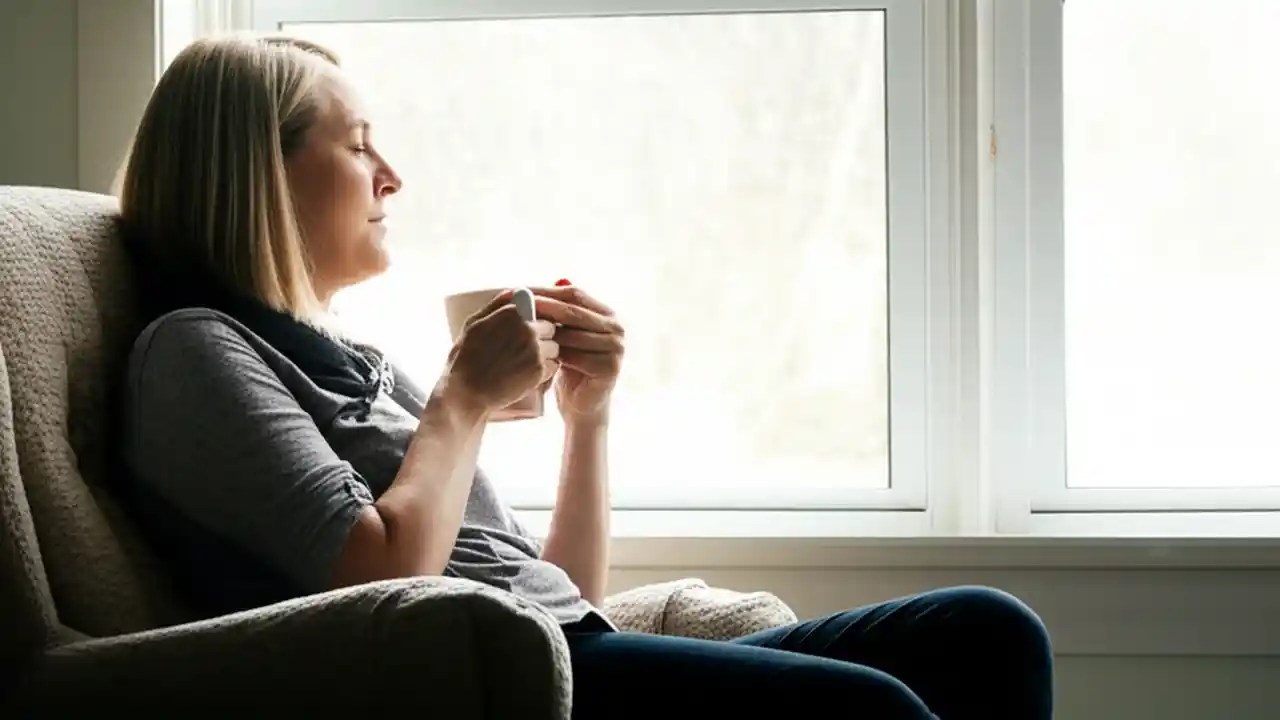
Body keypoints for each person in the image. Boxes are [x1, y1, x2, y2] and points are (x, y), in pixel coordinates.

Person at [114, 35, 1053, 719]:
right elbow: (385, 577)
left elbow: (565, 593)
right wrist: (463, 399)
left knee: (986, 629)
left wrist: (587, 420)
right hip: (491, 687)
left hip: (563, 651)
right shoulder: (195, 352)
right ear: (257, 173)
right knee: (873, 712)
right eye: (358, 145)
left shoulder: (351, 358)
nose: (391, 175)